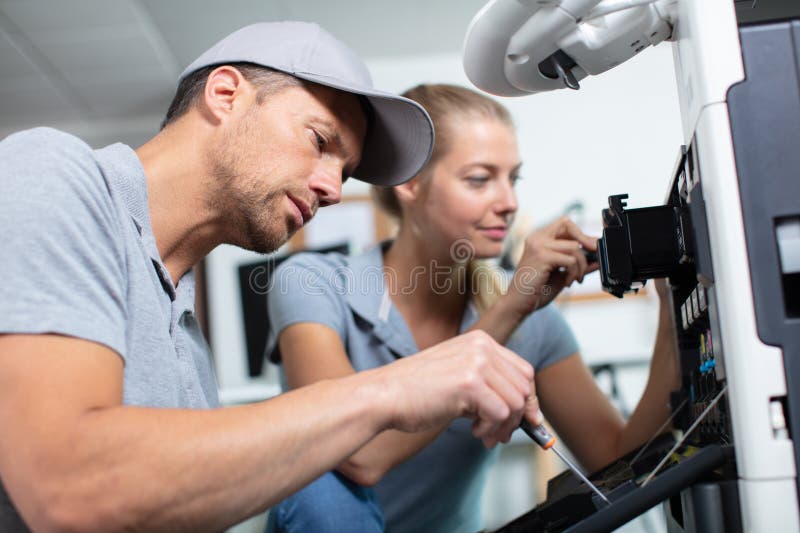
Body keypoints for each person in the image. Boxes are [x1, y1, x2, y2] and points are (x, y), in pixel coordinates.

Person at [0, 25, 544, 532]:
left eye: (346, 171)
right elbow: (70, 487)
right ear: (226, 95)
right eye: (321, 141)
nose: (334, 189)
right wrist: (394, 388)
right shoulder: (53, 171)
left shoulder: (188, 352)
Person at [266, 84, 679, 532]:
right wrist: (510, 310)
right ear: (410, 183)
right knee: (318, 486)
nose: (509, 203)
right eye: (480, 179)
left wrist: (672, 305)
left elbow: (618, 460)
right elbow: (359, 456)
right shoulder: (314, 284)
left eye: (513, 179)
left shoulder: (532, 324)